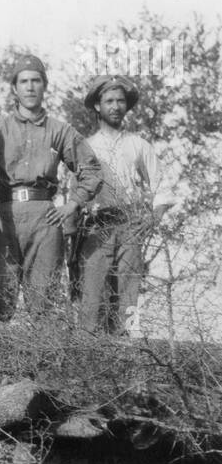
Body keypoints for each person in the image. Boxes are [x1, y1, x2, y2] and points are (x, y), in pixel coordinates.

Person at [0, 54, 102, 319]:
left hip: (44, 217)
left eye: (36, 80)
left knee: (44, 303)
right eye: (23, 81)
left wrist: (72, 204)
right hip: (4, 216)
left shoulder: (59, 131)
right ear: (14, 88)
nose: (30, 87)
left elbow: (91, 169)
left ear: (44, 85)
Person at [73, 75, 171, 334]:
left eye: (120, 101)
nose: (115, 107)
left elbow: (163, 187)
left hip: (129, 225)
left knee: (128, 297)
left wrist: (153, 218)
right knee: (91, 298)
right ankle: (87, 354)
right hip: (96, 227)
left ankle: (128, 352)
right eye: (109, 101)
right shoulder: (86, 146)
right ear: (97, 106)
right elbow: (74, 191)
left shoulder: (137, 145)